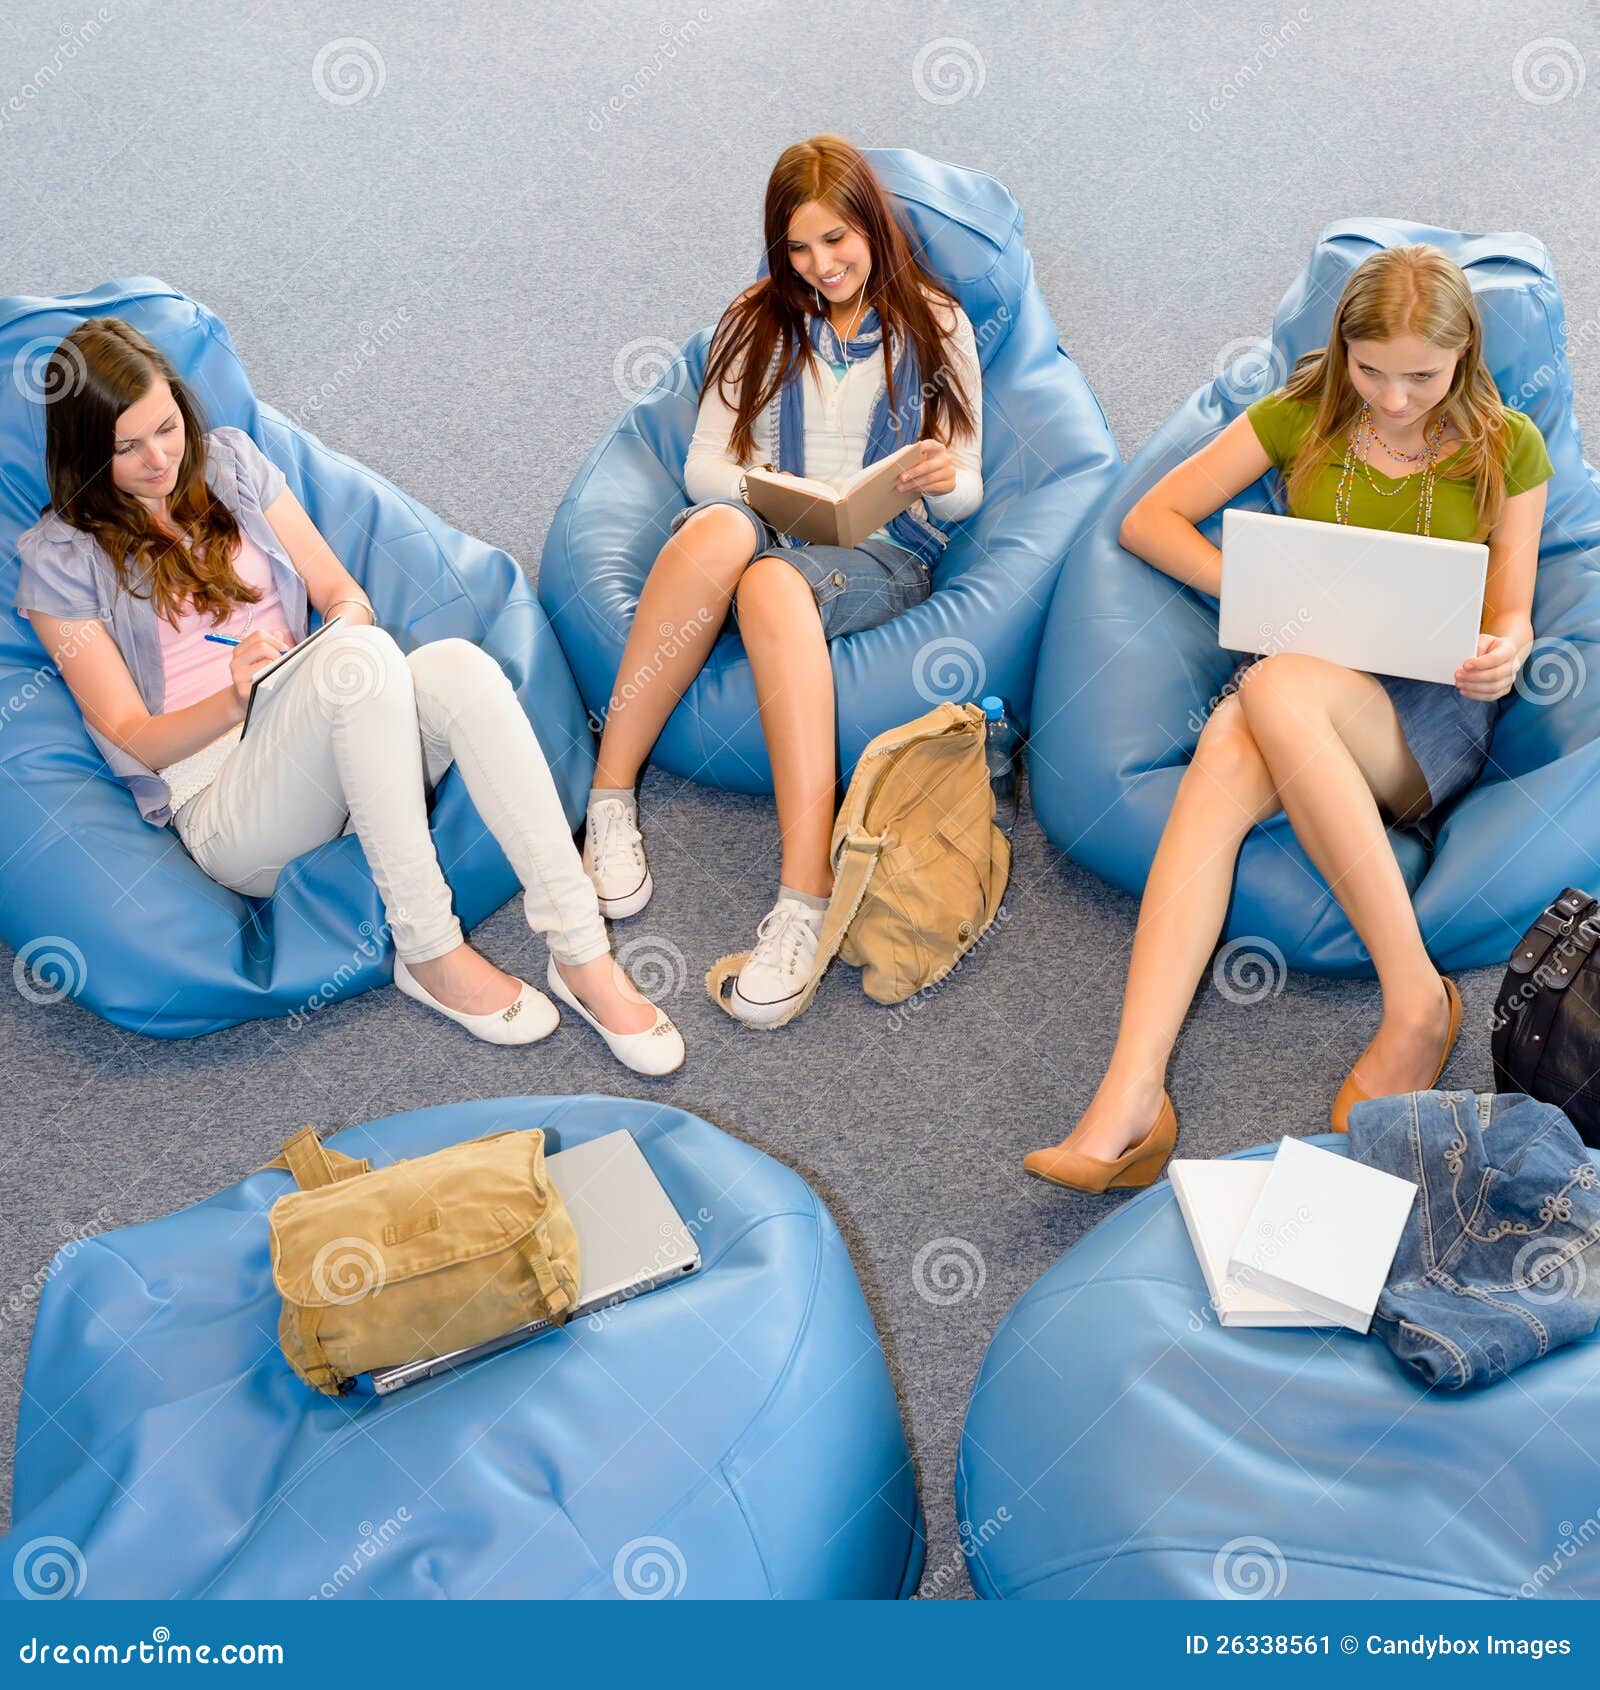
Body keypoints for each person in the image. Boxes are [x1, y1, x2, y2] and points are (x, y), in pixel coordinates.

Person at [16, 317, 683, 1074]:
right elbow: (131, 736)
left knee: (459, 666)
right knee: (359, 661)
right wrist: (240, 700)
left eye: (167, 428)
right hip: (228, 801)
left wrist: (327, 651)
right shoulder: (60, 561)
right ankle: (429, 951)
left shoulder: (231, 464)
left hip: (336, 712)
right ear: (84, 451)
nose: (159, 458)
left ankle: (581, 953)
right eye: (127, 446)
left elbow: (341, 591)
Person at [1024, 244, 1553, 1194]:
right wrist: (1258, 595)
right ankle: (1133, 1094)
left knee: (1259, 697)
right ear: (1342, 350)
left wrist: (1503, 652)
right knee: (1239, 726)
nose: (1395, 399)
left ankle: (1416, 1002)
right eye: (1372, 370)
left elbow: (1510, 609)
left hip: (1426, 715)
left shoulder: (1506, 443)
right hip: (1304, 677)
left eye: (1422, 377)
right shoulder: (1304, 414)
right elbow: (1148, 520)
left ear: (1464, 356)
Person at [581, 134, 984, 1024]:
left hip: (882, 551)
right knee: (723, 527)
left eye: (837, 241)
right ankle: (609, 803)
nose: (822, 265)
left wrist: (944, 483)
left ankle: (803, 902)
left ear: (872, 226)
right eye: (799, 249)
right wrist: (771, 493)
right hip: (769, 521)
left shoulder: (938, 325)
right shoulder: (756, 319)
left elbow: (967, 490)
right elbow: (703, 468)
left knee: (770, 587)